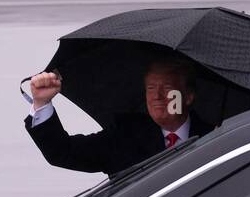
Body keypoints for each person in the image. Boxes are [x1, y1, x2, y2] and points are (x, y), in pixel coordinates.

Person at [24, 55, 215, 177]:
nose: (156, 96)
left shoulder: (216, 138)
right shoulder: (126, 136)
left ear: (188, 96)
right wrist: (42, 103)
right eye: (150, 88)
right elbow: (64, 152)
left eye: (167, 89)